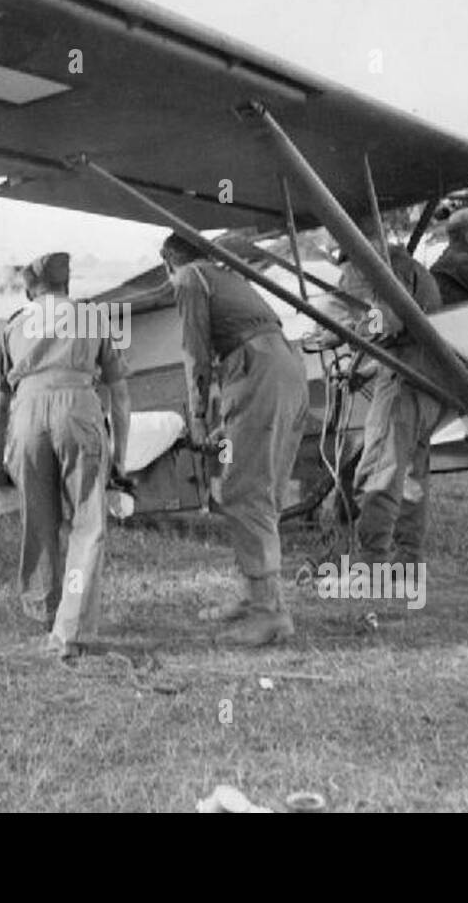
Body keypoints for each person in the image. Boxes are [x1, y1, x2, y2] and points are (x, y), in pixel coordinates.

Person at [160, 232, 309, 647]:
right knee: (265, 490)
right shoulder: (227, 275)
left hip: (259, 370)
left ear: (166, 264)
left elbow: (195, 353)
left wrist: (198, 418)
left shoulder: (190, 278)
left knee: (246, 493)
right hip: (285, 368)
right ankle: (254, 596)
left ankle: (269, 614)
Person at [0, 252, 131, 661]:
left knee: (39, 518)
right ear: (67, 286)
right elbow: (119, 394)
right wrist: (120, 456)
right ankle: (71, 631)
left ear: (32, 289)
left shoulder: (14, 325)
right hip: (78, 411)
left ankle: (44, 612)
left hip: (27, 414)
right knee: (88, 524)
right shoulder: (92, 318)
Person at [342, 241, 448, 565]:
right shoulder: (417, 272)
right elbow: (410, 331)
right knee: (412, 475)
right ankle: (406, 558)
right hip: (431, 382)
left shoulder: (389, 273)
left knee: (378, 469)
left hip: (403, 382)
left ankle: (370, 560)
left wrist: (347, 331)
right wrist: (368, 367)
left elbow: (387, 324)